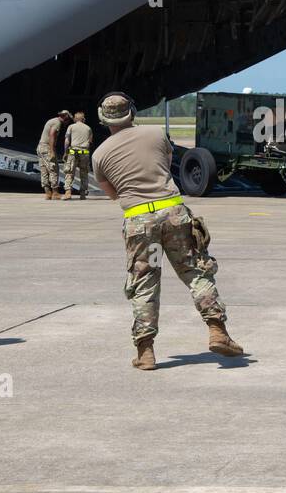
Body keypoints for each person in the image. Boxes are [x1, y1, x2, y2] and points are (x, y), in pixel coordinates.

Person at [91, 92, 242, 371]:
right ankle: (217, 331)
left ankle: (145, 352)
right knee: (195, 271)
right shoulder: (157, 134)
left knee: (144, 283)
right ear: (132, 112)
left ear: (103, 119)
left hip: (138, 220)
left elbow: (112, 194)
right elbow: (166, 161)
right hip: (172, 213)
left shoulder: (99, 155)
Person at [37, 110, 71, 199]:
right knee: (54, 169)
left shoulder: (52, 120)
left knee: (44, 170)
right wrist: (52, 150)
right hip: (47, 147)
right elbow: (52, 135)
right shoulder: (57, 123)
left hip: (40, 146)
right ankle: (55, 193)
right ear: (65, 117)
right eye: (68, 120)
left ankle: (48, 193)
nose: (68, 122)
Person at [62, 111, 94, 200]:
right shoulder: (88, 128)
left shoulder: (71, 127)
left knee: (69, 172)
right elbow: (90, 142)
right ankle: (83, 194)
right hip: (84, 152)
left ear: (75, 119)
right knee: (84, 173)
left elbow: (67, 141)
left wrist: (65, 152)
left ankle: (68, 192)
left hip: (73, 151)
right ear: (83, 119)